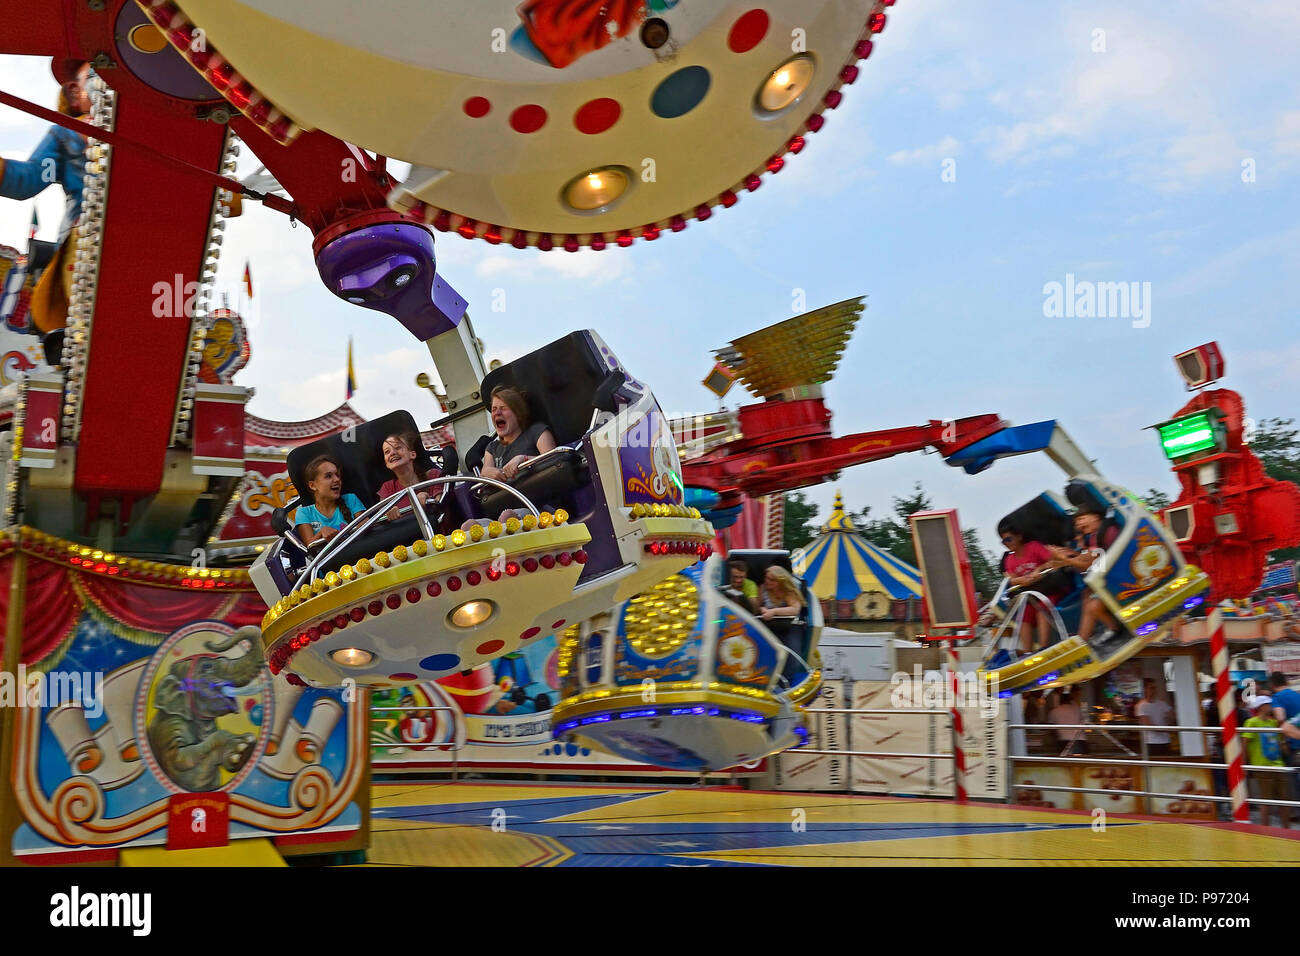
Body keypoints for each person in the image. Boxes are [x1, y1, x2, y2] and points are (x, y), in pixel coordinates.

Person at [467, 385, 557, 527]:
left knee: (508, 517)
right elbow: (485, 471)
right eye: (494, 409)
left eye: (503, 408)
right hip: (504, 508)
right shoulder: (492, 447)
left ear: (518, 413)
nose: (497, 413)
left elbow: (554, 460)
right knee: (469, 526)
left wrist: (523, 459)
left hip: (539, 507)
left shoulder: (537, 432)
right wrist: (488, 472)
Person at [1045, 504, 1120, 642]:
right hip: (1105, 577)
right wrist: (1065, 558)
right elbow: (1088, 559)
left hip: (1117, 577)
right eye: (1076, 522)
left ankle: (1114, 629)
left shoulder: (1107, 532)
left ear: (1096, 517)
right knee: (1086, 593)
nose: (1078, 524)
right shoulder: (1094, 537)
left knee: (1094, 606)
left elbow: (1090, 563)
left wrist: (1065, 559)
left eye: (1081, 519)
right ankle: (1083, 638)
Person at [997, 518, 1060, 654]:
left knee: (1041, 608)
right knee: (1023, 614)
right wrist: (1022, 580)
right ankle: (1028, 651)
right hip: (1031, 594)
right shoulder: (1010, 559)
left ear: (1019, 536)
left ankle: (1043, 648)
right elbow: (1012, 580)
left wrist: (1039, 571)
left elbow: (1053, 561)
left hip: (1049, 589)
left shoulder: (1034, 547)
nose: (1007, 544)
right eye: (1004, 541)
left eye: (1009, 539)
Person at [294, 455, 366, 547]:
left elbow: (365, 528)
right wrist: (321, 532)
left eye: (337, 475)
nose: (337, 479)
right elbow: (310, 547)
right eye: (328, 476)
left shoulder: (350, 499)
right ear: (312, 485)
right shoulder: (304, 513)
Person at [1242, 695, 1290, 828]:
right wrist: (1245, 765)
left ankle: (1286, 829)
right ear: (1262, 707)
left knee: (1285, 800)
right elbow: (1245, 744)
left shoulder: (1273, 723)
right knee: (1265, 801)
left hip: (1278, 765)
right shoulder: (1251, 722)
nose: (1271, 707)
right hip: (1262, 766)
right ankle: (1265, 831)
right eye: (1269, 704)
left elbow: (1280, 743)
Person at [377, 429, 441, 521]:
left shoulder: (433, 476)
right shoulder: (387, 488)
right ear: (386, 463)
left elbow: (443, 506)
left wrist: (428, 498)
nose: (392, 453)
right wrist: (389, 512)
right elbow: (381, 517)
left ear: (412, 454)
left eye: (398, 448)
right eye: (387, 452)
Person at [1135, 677, 1174, 757]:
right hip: (1151, 742)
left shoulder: (1162, 703)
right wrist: (1167, 729)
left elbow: (1172, 716)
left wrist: (1170, 721)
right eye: (1151, 688)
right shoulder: (1141, 706)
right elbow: (1149, 725)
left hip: (1165, 741)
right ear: (1145, 689)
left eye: (1155, 688)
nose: (1154, 690)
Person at [1048, 688, 1088, 753]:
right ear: (1070, 700)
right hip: (1080, 741)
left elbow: (1052, 729)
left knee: (1065, 762)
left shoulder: (1054, 711)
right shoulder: (1077, 709)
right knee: (1081, 762)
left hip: (1064, 741)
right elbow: (1084, 722)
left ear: (1059, 700)